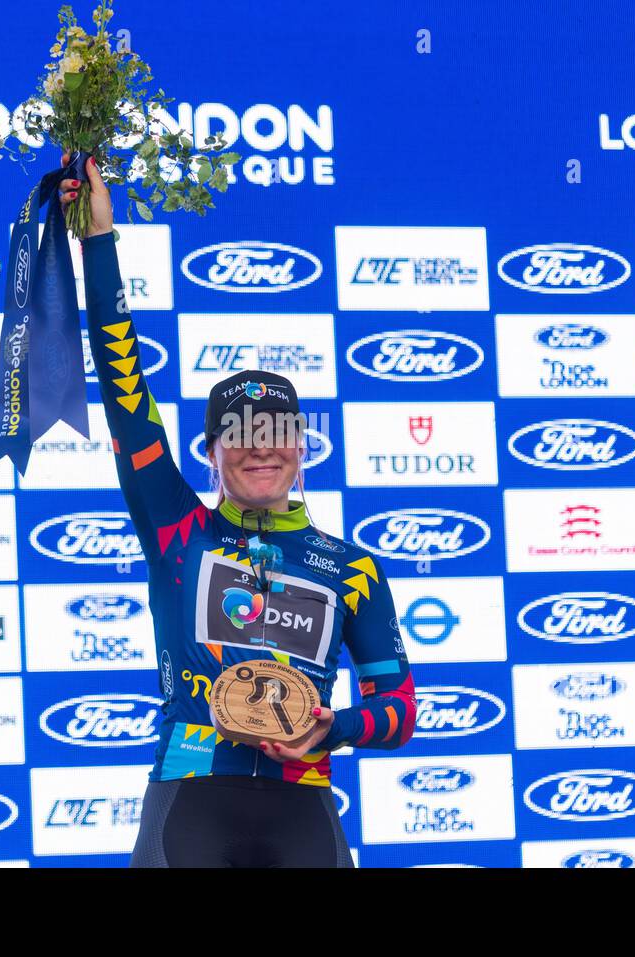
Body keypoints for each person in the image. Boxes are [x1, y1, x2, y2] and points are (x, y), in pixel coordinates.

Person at [58, 152, 416, 868]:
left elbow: (400, 704)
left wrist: (333, 725)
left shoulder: (352, 568)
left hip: (304, 808)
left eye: (277, 431)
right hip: (192, 798)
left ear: (302, 447)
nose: (261, 448)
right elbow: (124, 386)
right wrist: (98, 242)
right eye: (240, 435)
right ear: (212, 453)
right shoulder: (179, 529)